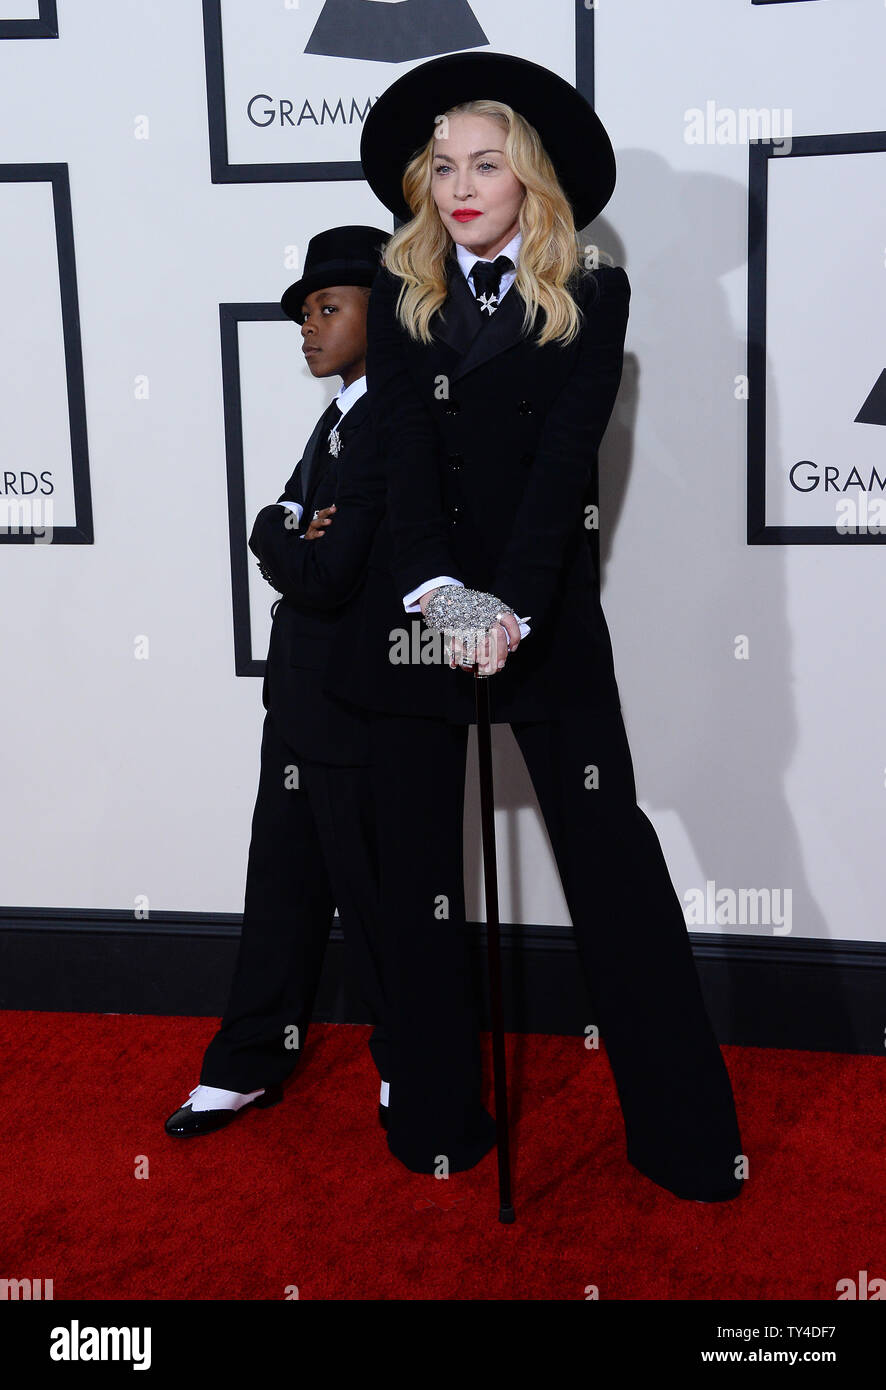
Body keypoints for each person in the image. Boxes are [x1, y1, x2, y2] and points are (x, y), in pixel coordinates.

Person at [324, 53, 745, 1201]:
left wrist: (504, 606)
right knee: (412, 870)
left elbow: (564, 469)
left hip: (543, 611)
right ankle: (437, 1123)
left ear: (530, 183)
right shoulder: (402, 288)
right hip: (416, 616)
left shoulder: (594, 295)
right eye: (443, 166)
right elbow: (404, 464)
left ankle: (685, 1140)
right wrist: (441, 597)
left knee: (614, 868)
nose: (462, 187)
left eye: (486, 165)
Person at [164, 225, 394, 1138]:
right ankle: (246, 1064)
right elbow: (299, 536)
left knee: (379, 902)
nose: (309, 328)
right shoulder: (338, 414)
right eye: (304, 314)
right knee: (280, 892)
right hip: (296, 701)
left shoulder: (395, 418)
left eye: (328, 309)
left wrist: (277, 528)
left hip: (360, 706)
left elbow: (327, 572)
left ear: (392, 312)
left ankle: (410, 1068)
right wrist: (288, 518)